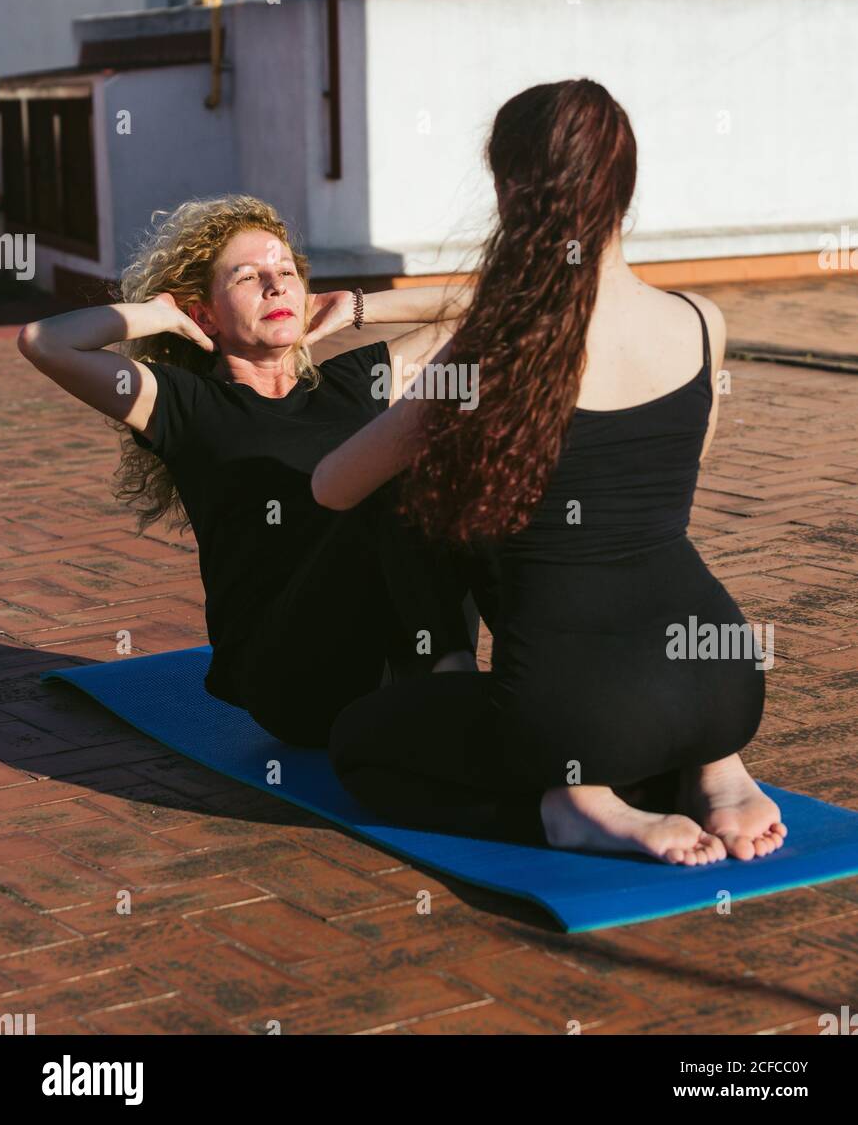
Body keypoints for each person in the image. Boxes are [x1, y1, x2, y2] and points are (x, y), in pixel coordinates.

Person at [312, 79, 789, 866]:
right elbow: (673, 480)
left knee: (359, 744)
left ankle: (567, 809)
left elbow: (333, 485)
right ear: (626, 190)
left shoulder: (491, 352)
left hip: (580, 718)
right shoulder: (703, 321)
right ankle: (715, 771)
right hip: (725, 679)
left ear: (506, 191)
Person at [17, 195, 502, 743]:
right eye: (248, 277)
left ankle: (511, 682)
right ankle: (455, 692)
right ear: (204, 314)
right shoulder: (183, 404)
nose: (275, 286)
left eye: (287, 272)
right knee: (398, 480)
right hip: (291, 678)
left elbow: (500, 312)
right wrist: (161, 314)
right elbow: (43, 342)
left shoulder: (358, 380)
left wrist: (359, 307)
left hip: (389, 666)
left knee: (473, 478)